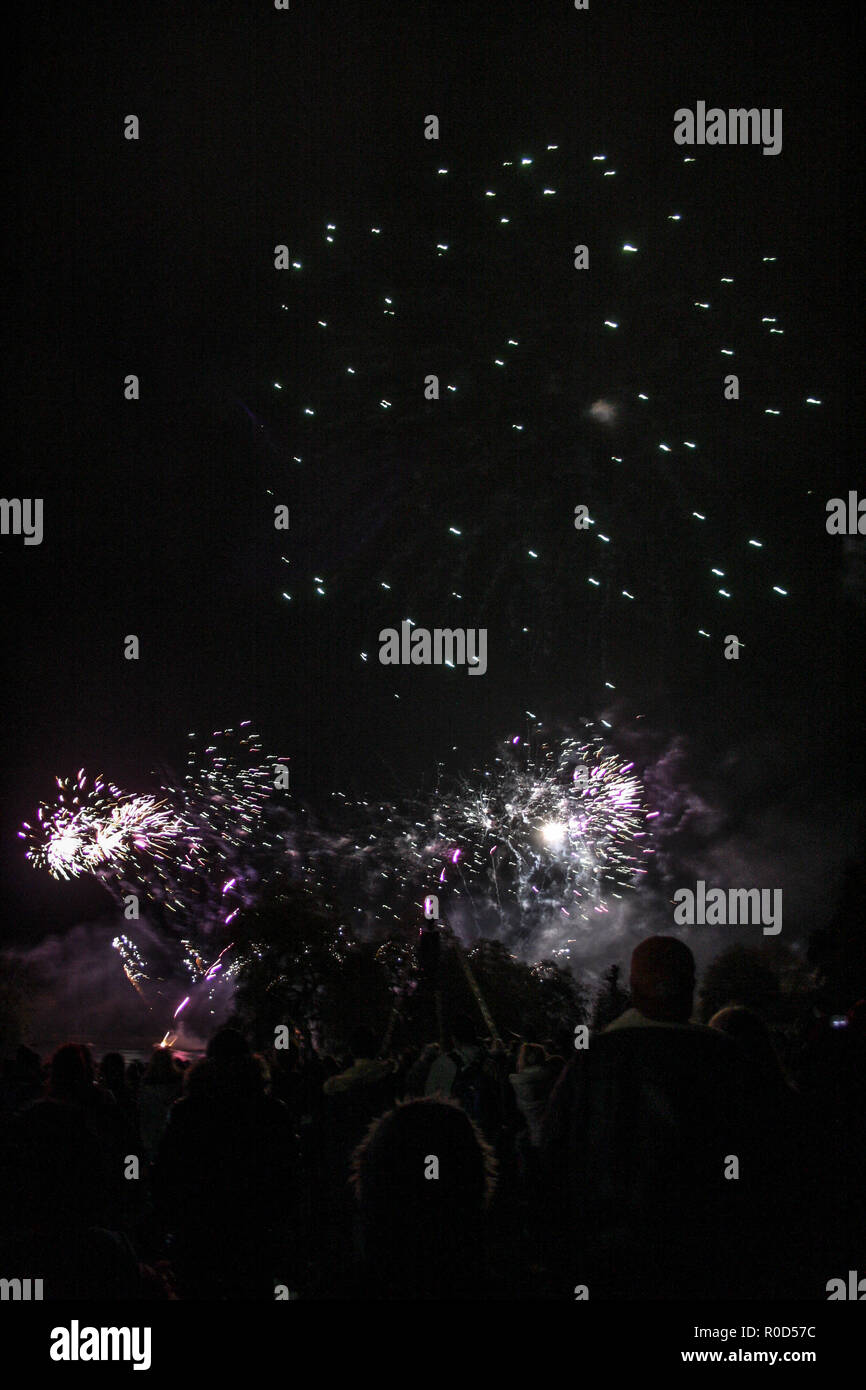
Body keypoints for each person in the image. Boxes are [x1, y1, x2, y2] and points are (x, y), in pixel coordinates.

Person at [542, 936, 752, 1298]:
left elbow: (554, 1161)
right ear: (691, 986)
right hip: (705, 1257)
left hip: (609, 1258)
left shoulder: (592, 1061)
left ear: (632, 988)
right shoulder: (727, 1059)